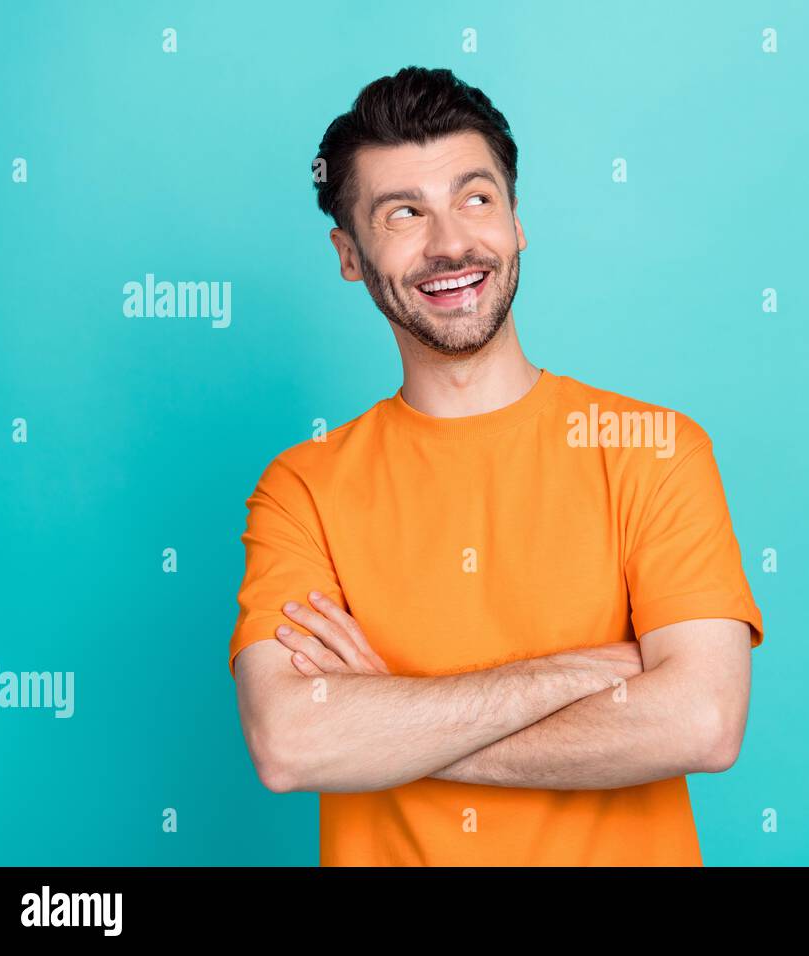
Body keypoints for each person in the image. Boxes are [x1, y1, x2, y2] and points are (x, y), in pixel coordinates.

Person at [229, 66, 764, 866]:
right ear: (349, 253)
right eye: (403, 212)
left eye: (475, 198)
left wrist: (390, 723)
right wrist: (580, 674)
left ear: (516, 222)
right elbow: (291, 743)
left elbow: (703, 722)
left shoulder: (653, 448)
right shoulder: (302, 488)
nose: (450, 243)